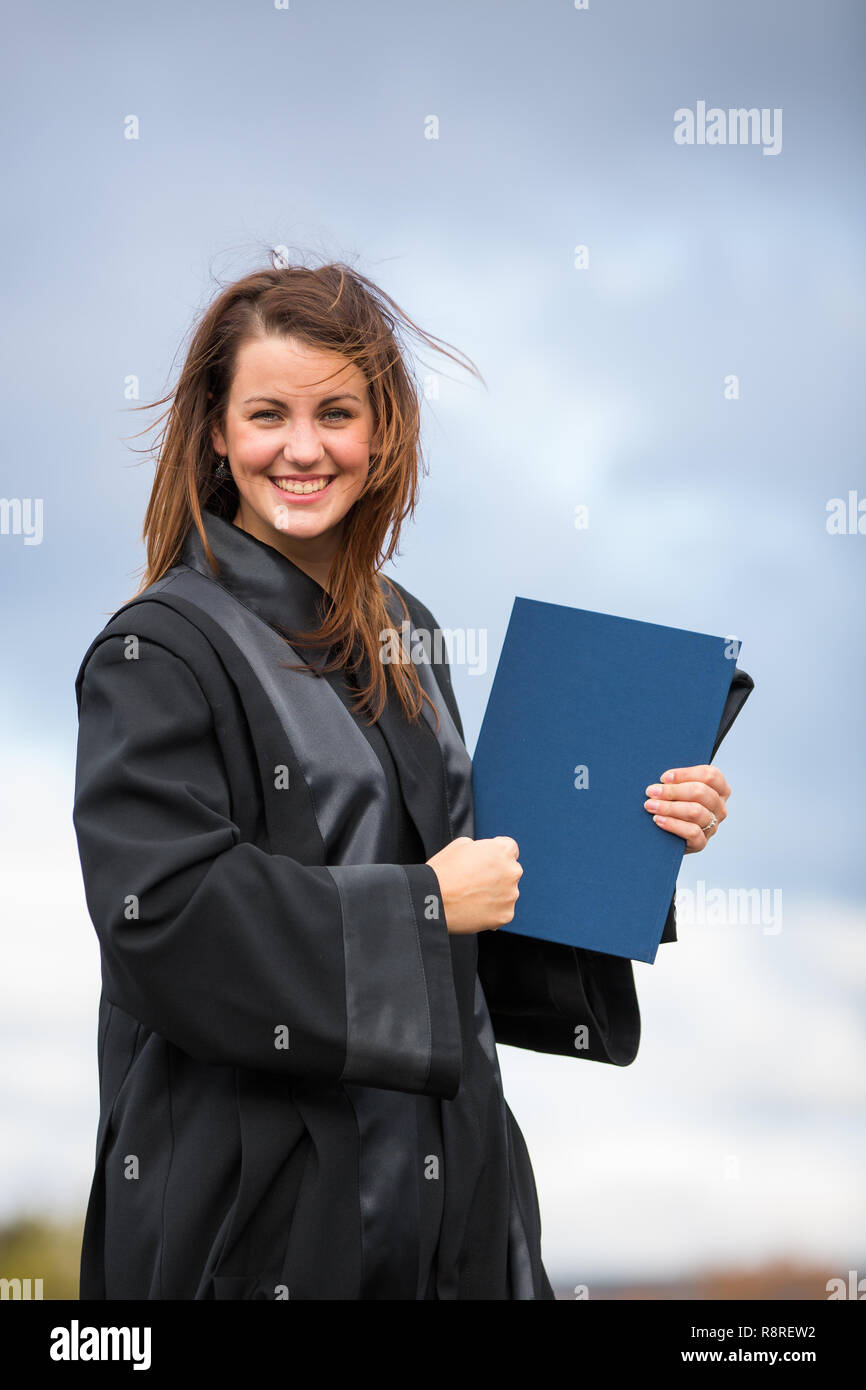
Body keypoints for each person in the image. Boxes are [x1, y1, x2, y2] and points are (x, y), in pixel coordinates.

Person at [72, 260, 753, 1300]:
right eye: (267, 414)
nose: (303, 448)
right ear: (216, 433)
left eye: (336, 412)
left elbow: (479, 910)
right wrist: (426, 908)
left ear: (381, 429)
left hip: (454, 1199)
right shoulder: (156, 654)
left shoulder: (406, 632)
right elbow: (161, 918)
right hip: (258, 1217)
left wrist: (637, 839)